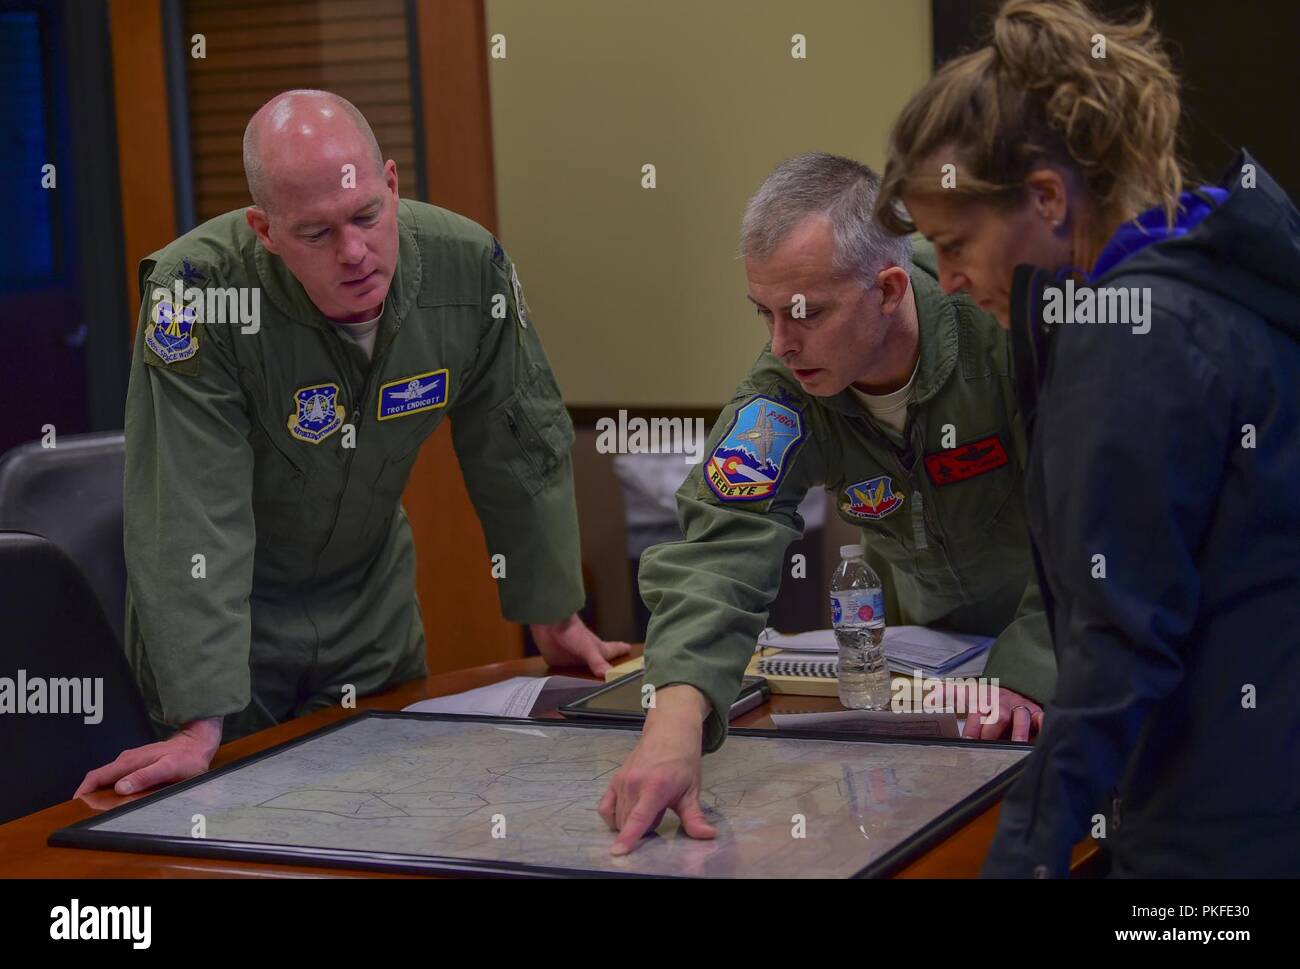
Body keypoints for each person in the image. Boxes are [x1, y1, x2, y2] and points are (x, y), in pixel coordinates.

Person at [77, 90, 628, 799]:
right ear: (264, 229)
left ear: (392, 185)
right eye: (316, 234)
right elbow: (189, 504)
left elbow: (520, 441)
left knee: (387, 818)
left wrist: (551, 612)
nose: (356, 253)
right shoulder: (197, 296)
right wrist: (196, 717)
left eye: (368, 215)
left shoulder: (468, 270)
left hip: (372, 613)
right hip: (231, 627)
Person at [875, 0, 1300, 876]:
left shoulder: (1129, 336)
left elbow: (1116, 644)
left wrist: (1022, 856)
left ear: (1045, 196)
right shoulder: (1229, 270)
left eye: (956, 243)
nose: (948, 281)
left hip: (1215, 828)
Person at [600, 153, 1054, 855]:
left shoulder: (1000, 323)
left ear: (890, 287)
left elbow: (1095, 523)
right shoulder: (786, 387)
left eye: (806, 312)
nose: (781, 341)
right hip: (935, 676)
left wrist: (1031, 671)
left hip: (1068, 644)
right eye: (766, 312)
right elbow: (722, 544)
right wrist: (674, 718)